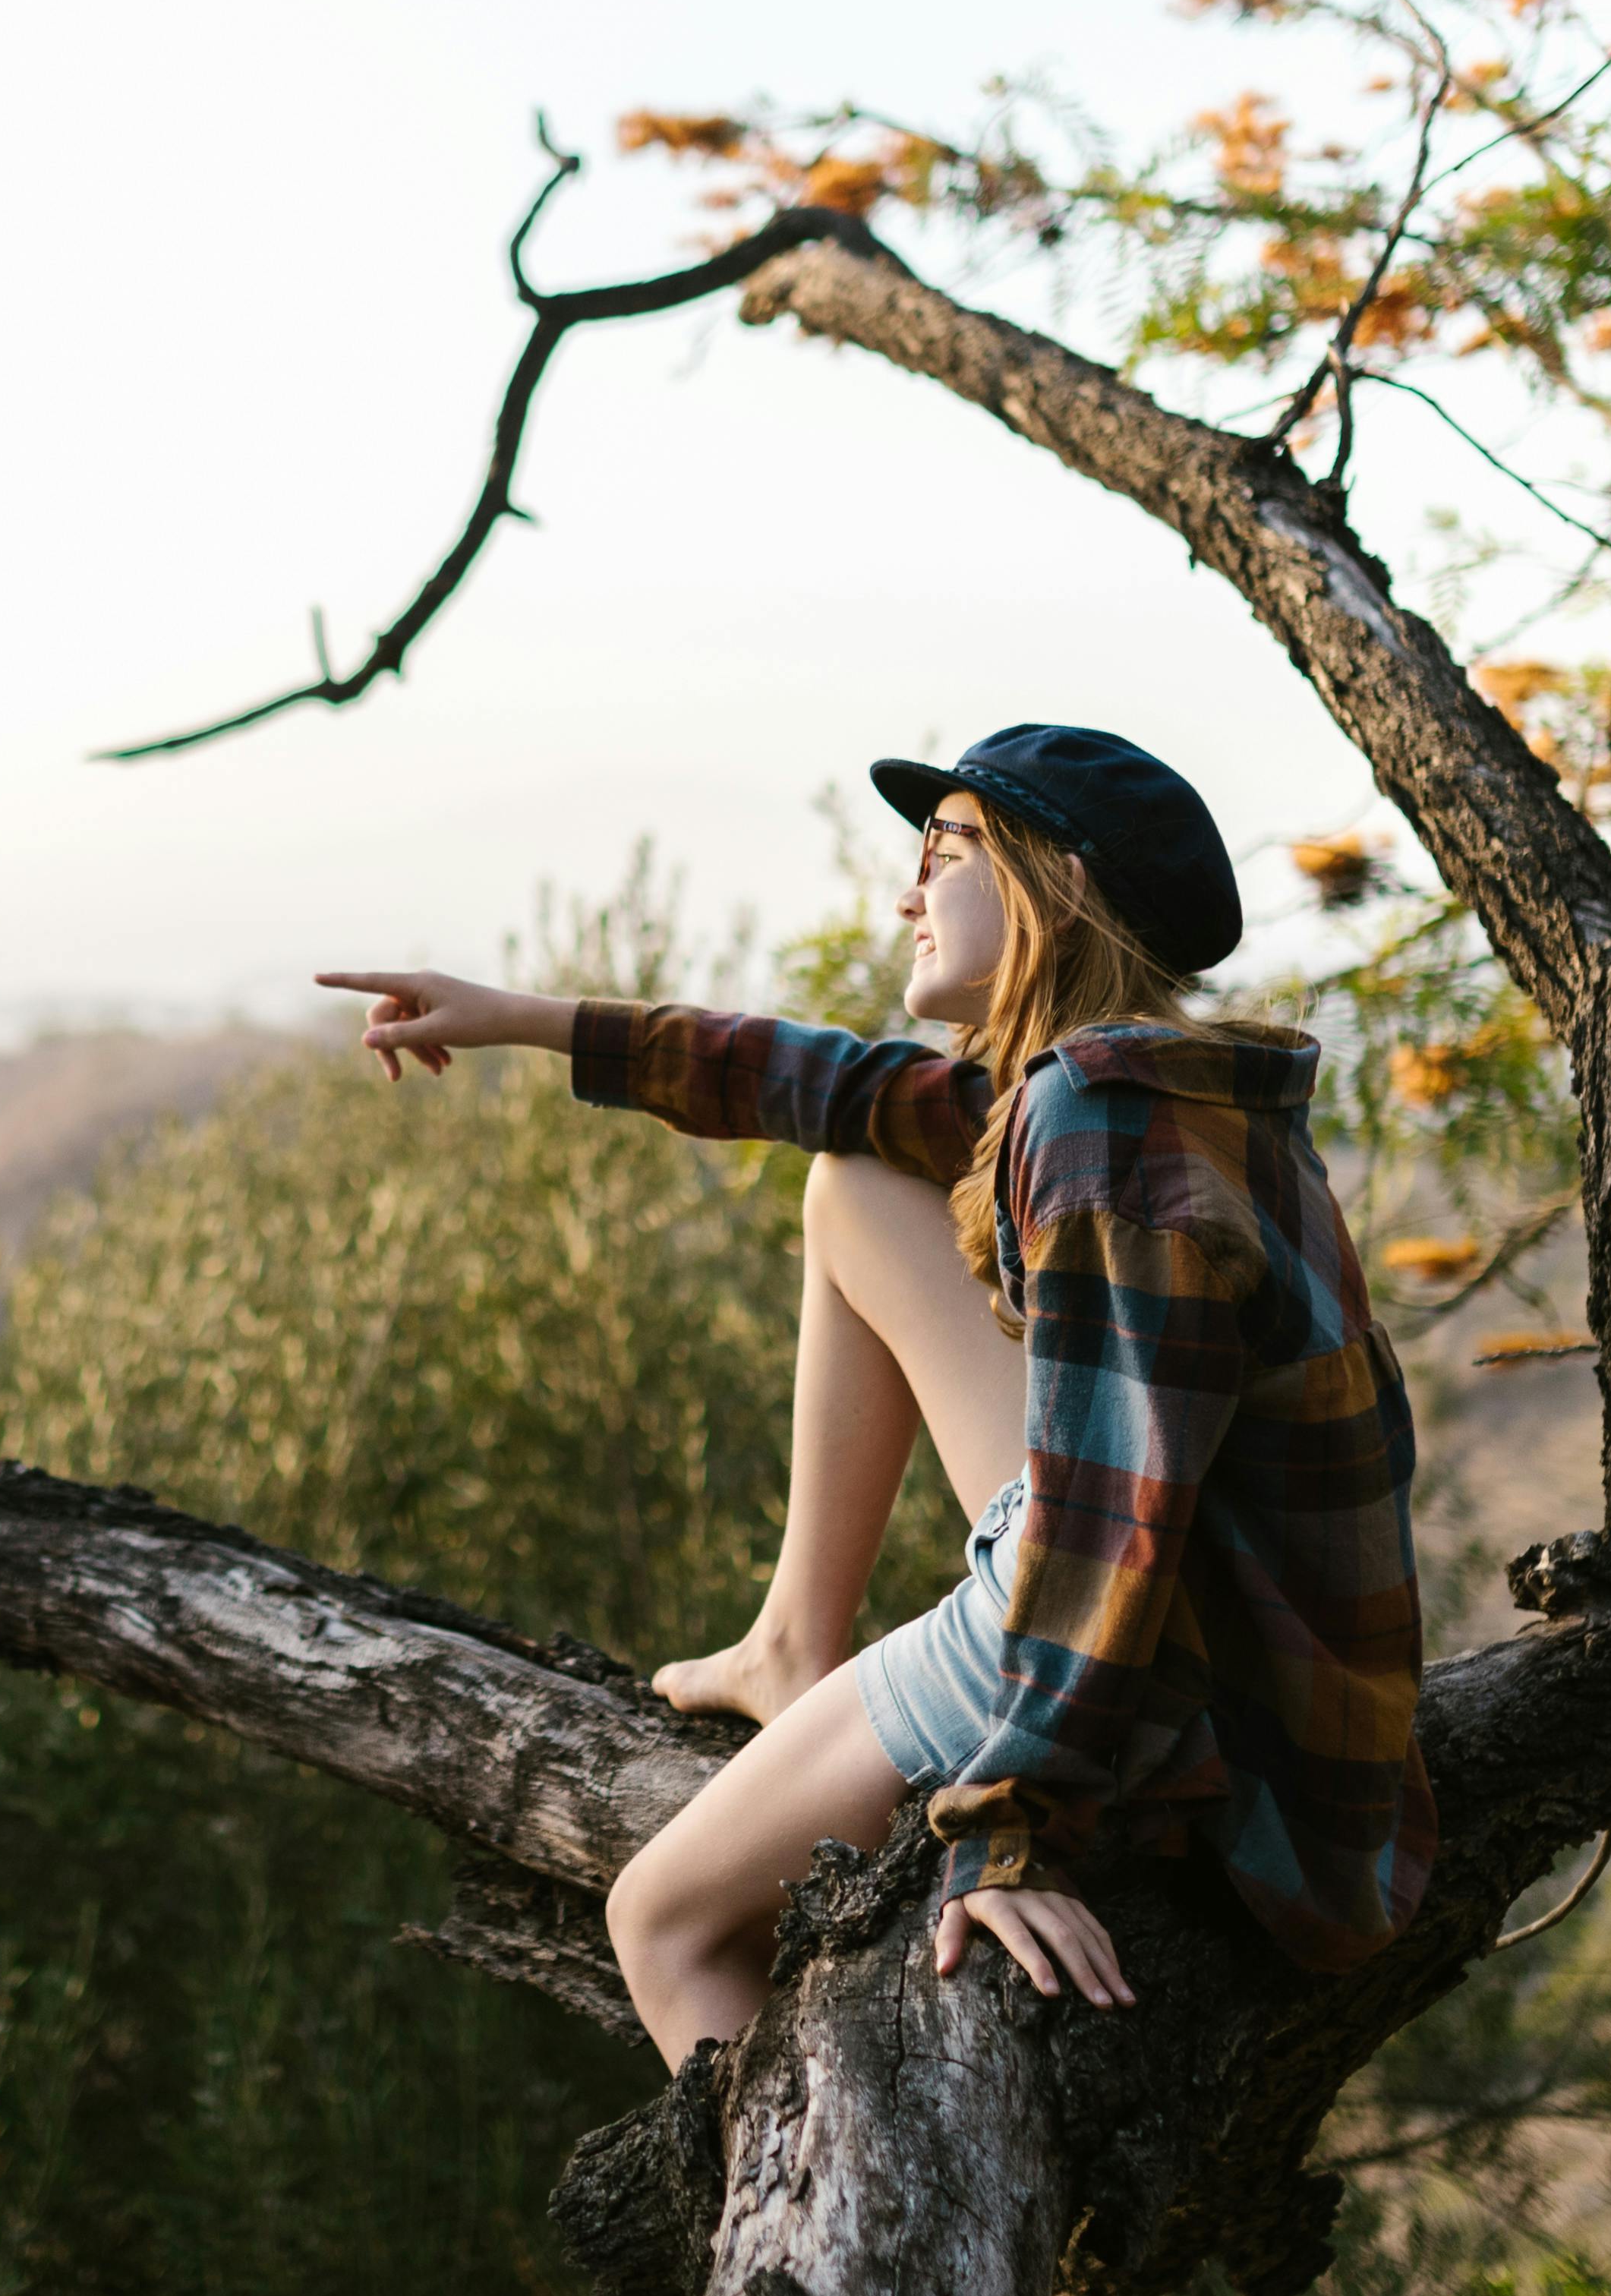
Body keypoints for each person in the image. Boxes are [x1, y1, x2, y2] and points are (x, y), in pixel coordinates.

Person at [320, 724, 1431, 2071]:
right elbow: (836, 1087)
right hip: (1221, 1618)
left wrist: (1014, 1823)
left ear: (1058, 888)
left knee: (660, 1919)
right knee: (851, 1177)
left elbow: (1110, 1526)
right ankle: (795, 1638)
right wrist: (525, 1019)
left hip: (1169, 1656)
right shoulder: (1157, 1088)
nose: (909, 892)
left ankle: (773, 2243)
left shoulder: (1099, 1129)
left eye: (944, 853)